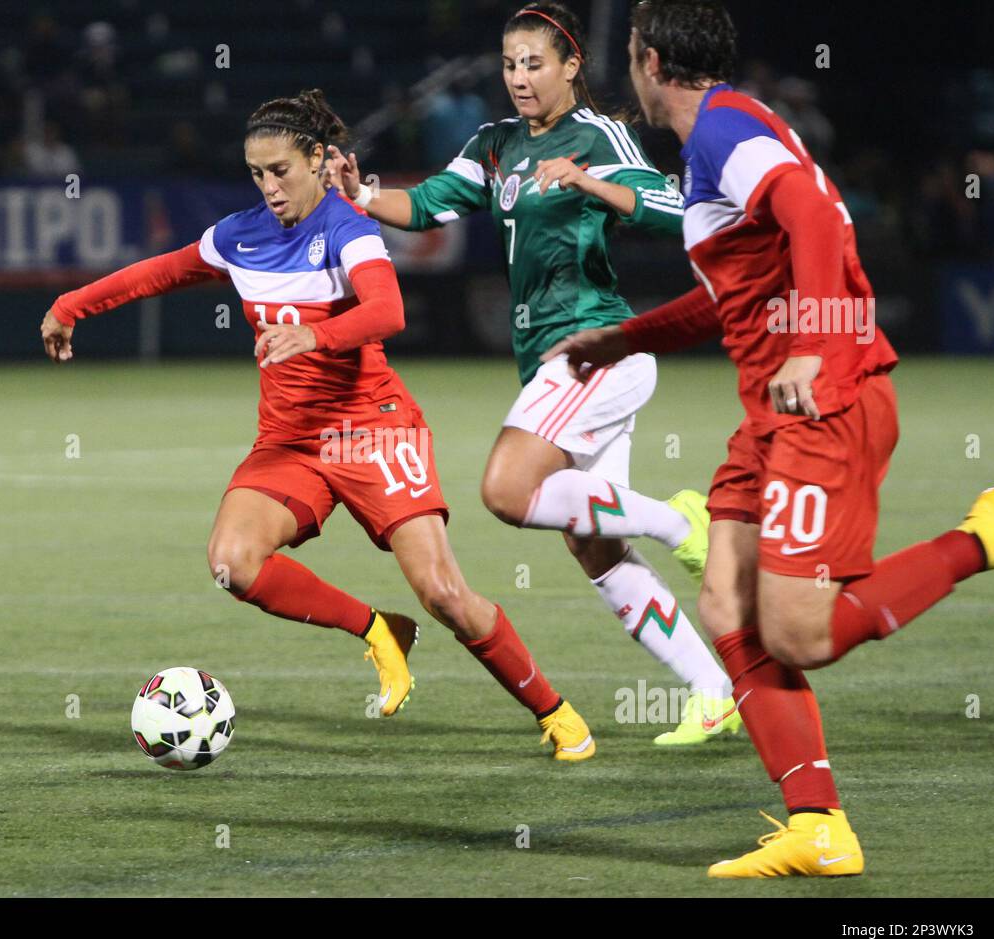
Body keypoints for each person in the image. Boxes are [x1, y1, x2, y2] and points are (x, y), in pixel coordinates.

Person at [548, 0, 994, 876]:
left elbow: (806, 208)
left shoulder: (726, 125)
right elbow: (727, 297)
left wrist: (808, 344)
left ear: (649, 60)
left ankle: (988, 536)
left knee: (798, 636)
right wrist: (626, 337)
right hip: (773, 414)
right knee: (729, 609)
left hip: (824, 402)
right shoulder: (713, 148)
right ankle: (817, 827)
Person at [40, 89, 596, 760]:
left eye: (281, 170)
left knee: (445, 594)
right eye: (256, 173)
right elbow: (159, 273)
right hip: (291, 443)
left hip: (373, 430)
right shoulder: (238, 237)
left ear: (317, 159)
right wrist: (72, 304)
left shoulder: (347, 227)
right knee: (234, 564)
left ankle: (556, 713)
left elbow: (387, 311)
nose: (269, 186)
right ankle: (377, 630)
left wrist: (315, 334)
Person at [326, 2, 742, 746]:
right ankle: (714, 689)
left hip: (594, 350)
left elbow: (673, 208)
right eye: (510, 63)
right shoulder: (495, 145)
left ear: (572, 65)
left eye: (535, 63)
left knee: (506, 490)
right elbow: (424, 207)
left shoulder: (599, 136)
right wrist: (361, 195)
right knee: (592, 543)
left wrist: (588, 182)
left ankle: (683, 521)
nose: (519, 78)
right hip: (552, 364)